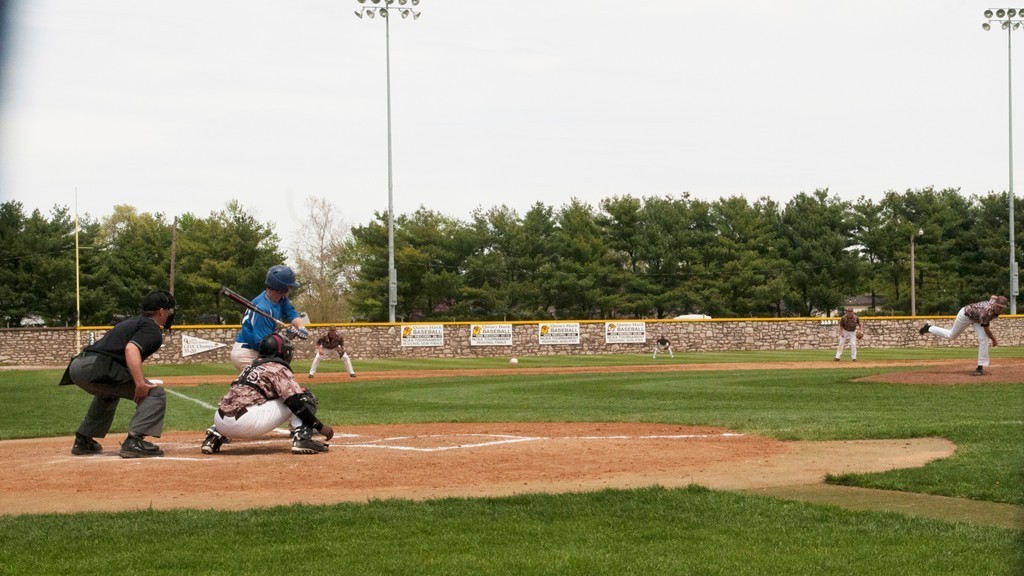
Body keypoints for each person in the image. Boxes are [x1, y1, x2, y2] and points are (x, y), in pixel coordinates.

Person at [58, 290, 176, 458]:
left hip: (77, 366)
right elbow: (131, 349)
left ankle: (83, 440)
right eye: (169, 310)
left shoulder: (133, 322)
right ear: (162, 311)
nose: (170, 314)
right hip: (95, 366)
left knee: (108, 394)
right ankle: (134, 441)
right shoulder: (152, 329)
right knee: (155, 393)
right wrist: (140, 384)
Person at [202, 333, 335, 455]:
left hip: (219, 421)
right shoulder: (278, 368)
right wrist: (320, 426)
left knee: (239, 401)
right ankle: (303, 439)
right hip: (246, 423)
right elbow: (293, 402)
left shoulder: (250, 366)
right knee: (303, 397)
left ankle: (213, 438)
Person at [230, 264, 308, 370]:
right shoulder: (263, 309)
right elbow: (263, 345)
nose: (291, 288)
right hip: (247, 352)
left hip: (256, 349)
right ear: (281, 288)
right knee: (274, 377)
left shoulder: (281, 299)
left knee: (275, 379)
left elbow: (291, 313)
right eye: (289, 286)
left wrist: (300, 327)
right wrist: (285, 337)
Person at [919, 295, 1009, 376]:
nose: (999, 309)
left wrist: (995, 298)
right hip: (966, 315)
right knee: (951, 336)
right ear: (995, 304)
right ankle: (929, 328)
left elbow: (993, 297)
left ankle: (980, 367)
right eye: (998, 307)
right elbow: (987, 330)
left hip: (977, 318)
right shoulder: (987, 313)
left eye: (1002, 308)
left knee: (983, 339)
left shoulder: (994, 301)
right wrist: (994, 340)